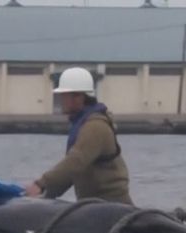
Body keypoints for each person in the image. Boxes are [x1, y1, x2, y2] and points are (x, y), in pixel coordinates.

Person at [24, 67, 133, 205]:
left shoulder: (95, 127)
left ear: (78, 97)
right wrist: (45, 194)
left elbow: (75, 162)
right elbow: (73, 173)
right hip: (94, 205)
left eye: (64, 95)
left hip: (112, 205)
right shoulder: (84, 124)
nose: (61, 100)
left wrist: (41, 184)